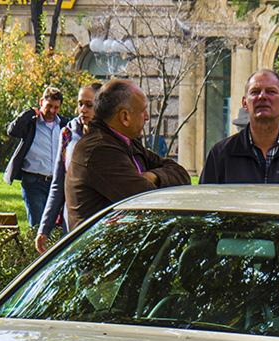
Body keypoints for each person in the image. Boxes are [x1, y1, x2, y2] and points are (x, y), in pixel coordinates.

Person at [65, 79, 190, 229]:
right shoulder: (99, 150)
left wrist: (154, 176)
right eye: (143, 110)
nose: (147, 117)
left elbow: (181, 174)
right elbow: (146, 200)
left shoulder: (127, 142)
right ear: (124, 117)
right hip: (103, 248)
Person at [199, 69, 279, 185]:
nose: (262, 96)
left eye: (271, 92)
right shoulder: (222, 153)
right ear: (245, 103)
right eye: (255, 92)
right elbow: (204, 206)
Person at [36, 81, 102, 254]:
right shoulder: (67, 134)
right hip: (71, 224)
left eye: (89, 105)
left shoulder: (109, 138)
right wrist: (45, 228)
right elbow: (58, 183)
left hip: (100, 223)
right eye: (80, 104)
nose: (83, 109)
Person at [4, 86, 64, 231]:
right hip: (33, 182)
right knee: (38, 226)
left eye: (56, 107)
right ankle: (37, 254)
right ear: (41, 102)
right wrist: (29, 112)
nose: (52, 111)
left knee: (56, 228)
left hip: (56, 183)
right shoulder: (31, 123)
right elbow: (12, 130)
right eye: (49, 106)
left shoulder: (63, 125)